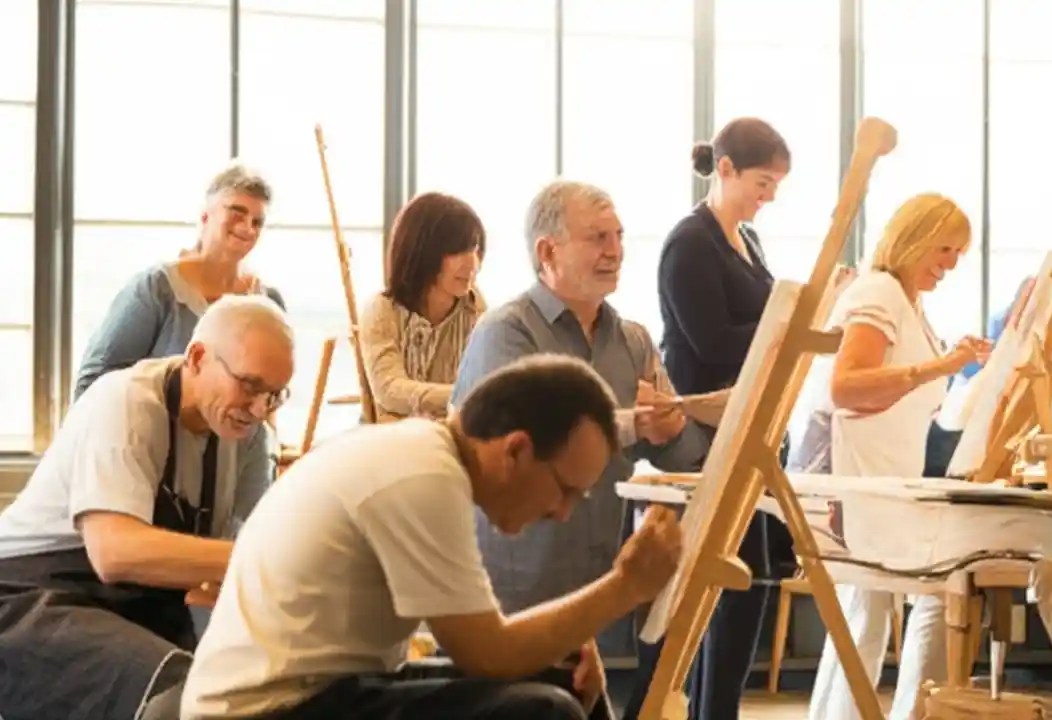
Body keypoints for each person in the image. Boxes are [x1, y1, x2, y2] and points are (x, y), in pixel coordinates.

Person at [181, 355, 684, 719]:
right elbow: (487, 653)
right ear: (516, 451)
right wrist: (625, 586)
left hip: (324, 691)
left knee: (559, 673)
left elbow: (480, 641)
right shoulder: (423, 475)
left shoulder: (425, 456)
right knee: (541, 713)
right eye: (564, 490)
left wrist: (569, 637)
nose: (561, 513)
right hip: (266, 710)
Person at [808, 193, 1052, 720]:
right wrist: (939, 367)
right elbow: (846, 387)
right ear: (912, 237)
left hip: (889, 489)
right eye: (944, 248)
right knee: (879, 612)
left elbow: (937, 414)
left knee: (881, 614)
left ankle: (913, 708)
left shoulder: (906, 302)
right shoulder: (880, 292)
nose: (951, 263)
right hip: (863, 493)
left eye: (958, 253)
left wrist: (976, 375)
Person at [449, 179, 710, 706]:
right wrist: (637, 423)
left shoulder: (632, 339)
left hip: (595, 596)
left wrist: (674, 427)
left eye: (618, 236)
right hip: (512, 592)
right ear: (547, 251)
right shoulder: (506, 332)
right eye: (597, 238)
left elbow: (684, 457)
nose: (614, 250)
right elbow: (528, 442)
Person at [0, 295, 294, 720]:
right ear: (196, 357)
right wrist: (258, 561)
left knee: (243, 694)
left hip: (130, 609)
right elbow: (114, 553)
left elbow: (218, 577)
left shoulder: (249, 440)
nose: (259, 409)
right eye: (249, 386)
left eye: (275, 394)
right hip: (25, 601)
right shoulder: (126, 401)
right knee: (180, 700)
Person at [633, 116, 792, 719]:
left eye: (776, 184)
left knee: (747, 582)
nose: (769, 195)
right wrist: (783, 326)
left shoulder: (748, 242)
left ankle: (718, 712)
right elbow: (711, 342)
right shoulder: (689, 242)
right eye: (762, 181)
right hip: (700, 435)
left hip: (751, 427)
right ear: (724, 170)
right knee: (693, 593)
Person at [75, 161, 285, 401]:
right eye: (237, 214)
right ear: (205, 217)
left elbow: (270, 396)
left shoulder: (268, 302)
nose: (248, 228)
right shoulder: (156, 290)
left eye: (257, 222)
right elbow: (93, 381)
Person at [358, 191, 486, 422]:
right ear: (423, 252)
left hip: (452, 439)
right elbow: (389, 391)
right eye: (458, 251)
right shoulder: (382, 310)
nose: (472, 263)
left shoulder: (475, 309)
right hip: (391, 443)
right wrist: (465, 396)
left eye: (476, 250)